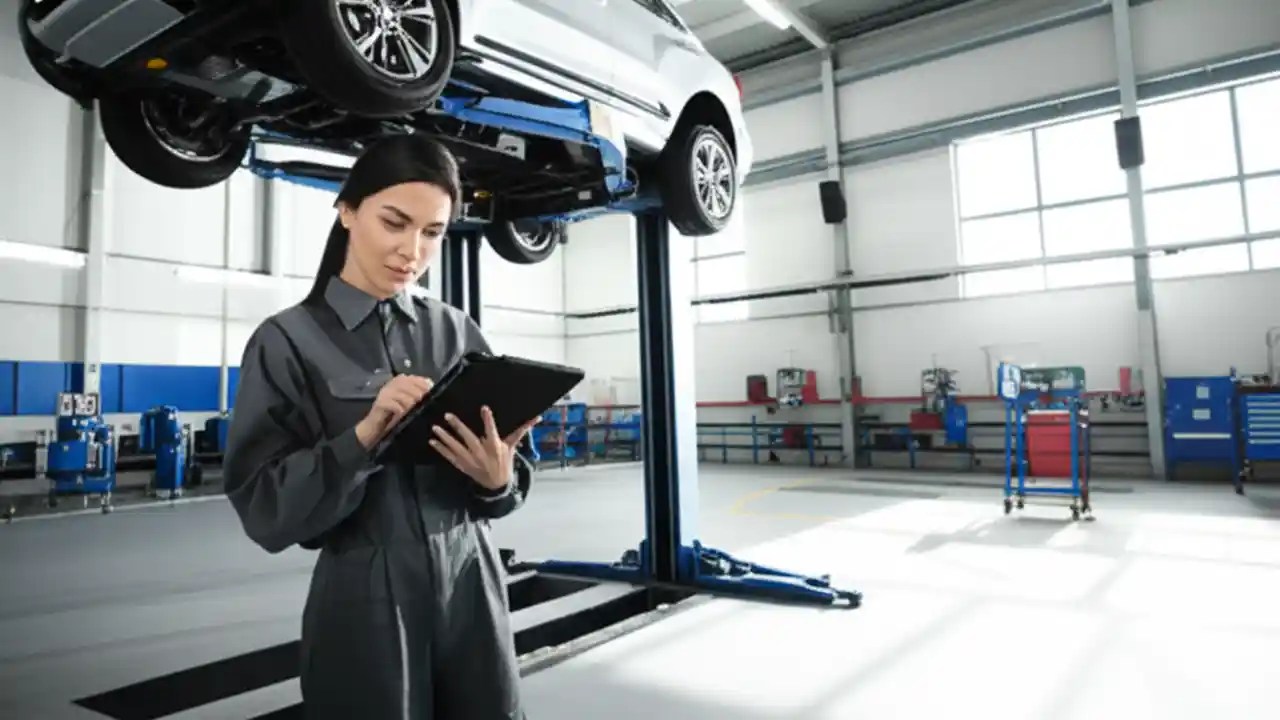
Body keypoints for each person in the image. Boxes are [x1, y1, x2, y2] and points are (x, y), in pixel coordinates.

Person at [223, 133, 538, 720]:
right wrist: (363, 439)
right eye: (394, 222)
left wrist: (498, 481)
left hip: (472, 579)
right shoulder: (288, 341)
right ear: (347, 211)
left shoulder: (455, 331)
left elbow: (515, 470)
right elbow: (263, 504)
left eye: (432, 233)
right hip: (365, 594)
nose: (411, 251)